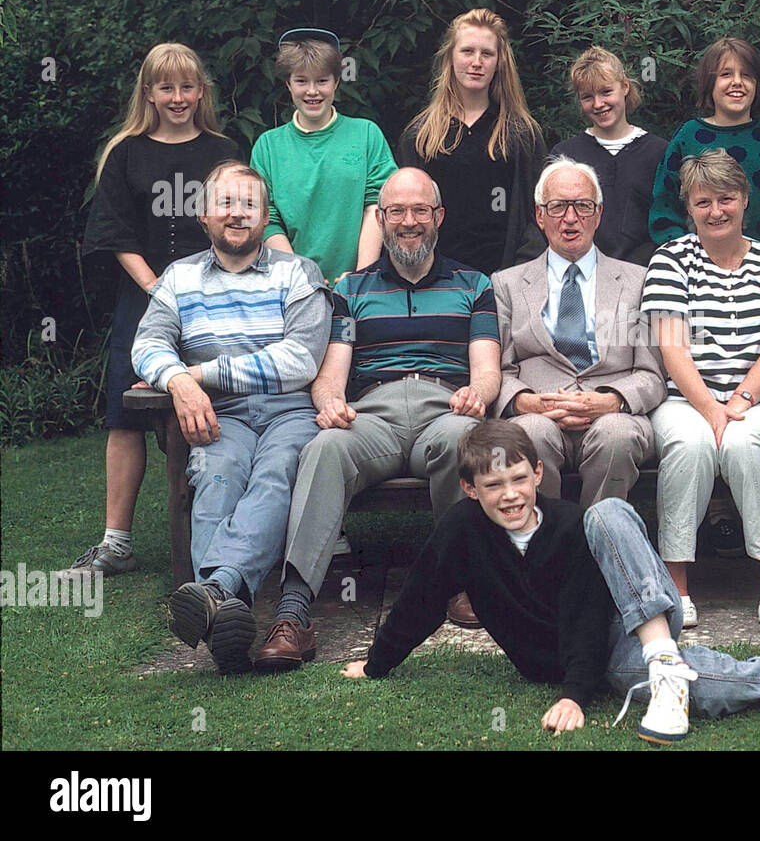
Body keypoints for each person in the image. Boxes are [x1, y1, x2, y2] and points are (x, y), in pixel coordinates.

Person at [341, 420, 760, 744]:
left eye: (517, 479)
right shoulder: (462, 531)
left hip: (624, 621)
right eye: (493, 484)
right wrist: (376, 662)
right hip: (601, 657)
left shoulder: (570, 526)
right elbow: (422, 598)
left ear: (536, 473)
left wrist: (575, 696)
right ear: (470, 489)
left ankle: (663, 659)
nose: (509, 495)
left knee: (608, 514)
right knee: (719, 690)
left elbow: (582, 610)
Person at [255, 167, 501, 671]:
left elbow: (488, 368)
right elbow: (331, 373)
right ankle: (294, 613)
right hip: (374, 414)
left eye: (419, 211)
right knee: (323, 447)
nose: (408, 222)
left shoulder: (474, 284)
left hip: (445, 407)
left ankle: (462, 584)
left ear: (439, 217)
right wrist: (329, 402)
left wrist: (478, 394)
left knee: (465, 443)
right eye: (396, 212)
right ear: (381, 218)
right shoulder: (351, 289)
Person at [131, 160, 332, 674]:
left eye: (249, 204)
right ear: (203, 214)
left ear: (266, 216)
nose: (237, 214)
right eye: (226, 203)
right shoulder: (180, 278)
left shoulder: (298, 272)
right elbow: (148, 344)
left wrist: (199, 374)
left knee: (275, 474)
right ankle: (226, 613)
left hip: (291, 411)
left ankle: (217, 591)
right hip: (222, 417)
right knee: (216, 475)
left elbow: (300, 360)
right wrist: (177, 382)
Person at [64, 42, 241, 580]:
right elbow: (114, 230)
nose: (178, 97)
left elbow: (241, 216)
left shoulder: (224, 149)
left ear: (201, 91)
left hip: (217, 300)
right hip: (144, 303)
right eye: (166, 87)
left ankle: (226, 525)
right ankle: (116, 542)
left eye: (188, 86)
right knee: (126, 415)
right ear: (149, 93)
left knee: (221, 406)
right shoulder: (126, 152)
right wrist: (157, 285)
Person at [641, 150, 760, 626]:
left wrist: (740, 402)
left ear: (745, 200)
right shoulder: (670, 259)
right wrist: (711, 410)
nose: (716, 211)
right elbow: (673, 349)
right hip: (683, 399)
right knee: (690, 445)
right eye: (703, 201)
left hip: (757, 399)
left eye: (726, 199)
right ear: (689, 207)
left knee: (747, 444)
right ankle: (675, 581)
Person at [492, 157, 664, 509]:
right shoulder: (506, 284)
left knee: (616, 435)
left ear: (598, 214)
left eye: (583, 206)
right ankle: (549, 541)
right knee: (529, 435)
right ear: (540, 216)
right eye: (557, 207)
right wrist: (527, 403)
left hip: (613, 415)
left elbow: (652, 375)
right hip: (539, 413)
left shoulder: (638, 280)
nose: (570, 219)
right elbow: (500, 371)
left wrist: (612, 400)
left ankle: (601, 537)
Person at [398, 8, 548, 276]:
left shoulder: (522, 134)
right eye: (467, 51)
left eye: (487, 54)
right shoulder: (421, 136)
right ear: (450, 58)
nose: (477, 62)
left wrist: (518, 275)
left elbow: (538, 216)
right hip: (436, 282)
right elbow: (404, 218)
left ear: (499, 62)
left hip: (505, 280)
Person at [250, 28, 397, 283]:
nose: (312, 91)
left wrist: (361, 276)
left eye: (322, 81)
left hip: (362, 282)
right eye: (301, 81)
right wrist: (300, 275)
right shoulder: (267, 147)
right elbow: (266, 218)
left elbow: (379, 205)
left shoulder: (366, 134)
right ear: (288, 84)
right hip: (290, 284)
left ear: (336, 82)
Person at [648, 37, 760, 252]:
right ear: (710, 84)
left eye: (746, 75)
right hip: (701, 270)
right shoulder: (688, 138)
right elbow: (665, 208)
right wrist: (686, 255)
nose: (737, 82)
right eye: (726, 74)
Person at [551, 46, 667, 264]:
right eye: (587, 97)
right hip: (580, 272)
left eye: (606, 92)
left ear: (624, 86)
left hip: (647, 274)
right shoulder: (565, 156)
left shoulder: (658, 152)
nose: (598, 104)